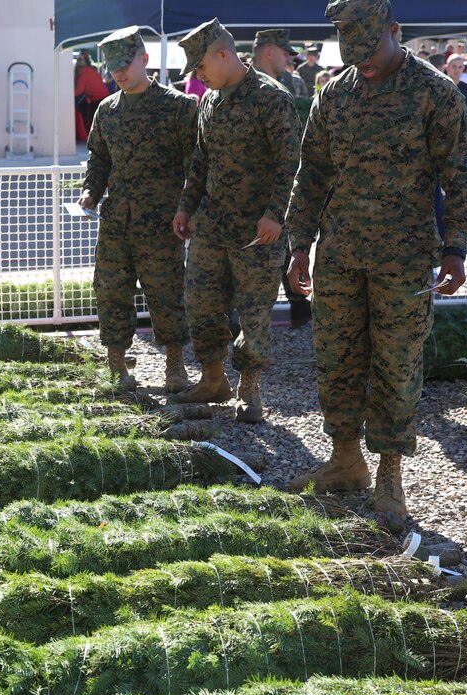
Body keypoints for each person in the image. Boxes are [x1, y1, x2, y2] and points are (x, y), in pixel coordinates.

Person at [285, 0, 467, 528]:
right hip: (341, 253)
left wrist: (456, 248)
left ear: (395, 32)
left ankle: (390, 473)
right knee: (337, 358)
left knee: (396, 364)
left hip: (405, 254)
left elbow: (462, 174)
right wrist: (299, 243)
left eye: (371, 52)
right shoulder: (335, 93)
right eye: (353, 55)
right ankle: (346, 459)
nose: (363, 64)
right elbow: (312, 173)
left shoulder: (434, 92)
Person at [171, 18, 302, 422]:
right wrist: (185, 206)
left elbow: (291, 162)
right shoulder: (210, 101)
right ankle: (213, 379)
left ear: (223, 55)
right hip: (212, 225)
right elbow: (201, 161)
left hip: (257, 231)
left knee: (254, 312)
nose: (198, 76)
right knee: (201, 303)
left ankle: (250, 387)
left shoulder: (270, 97)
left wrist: (275, 215)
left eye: (200, 67)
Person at [79, 27, 198, 390]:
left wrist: (188, 208)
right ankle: (117, 364)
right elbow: (98, 158)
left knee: (166, 293)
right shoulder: (107, 110)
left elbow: (195, 164)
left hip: (162, 222)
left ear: (144, 60)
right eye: (112, 67)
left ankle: (175, 366)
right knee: (112, 291)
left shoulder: (178, 107)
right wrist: (90, 192)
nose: (118, 73)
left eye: (124, 64)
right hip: (116, 222)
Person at [252, 28, 313, 327]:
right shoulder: (242, 84)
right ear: (268, 51)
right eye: (285, 52)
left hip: (282, 190)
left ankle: (299, 307)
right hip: (250, 193)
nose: (290, 58)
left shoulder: (289, 83)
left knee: (287, 248)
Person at [75, 51, 111, 142]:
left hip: (97, 99)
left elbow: (79, 92)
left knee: (94, 119)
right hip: (105, 95)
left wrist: (68, 92)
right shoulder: (93, 70)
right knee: (105, 119)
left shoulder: (82, 76)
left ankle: (96, 139)